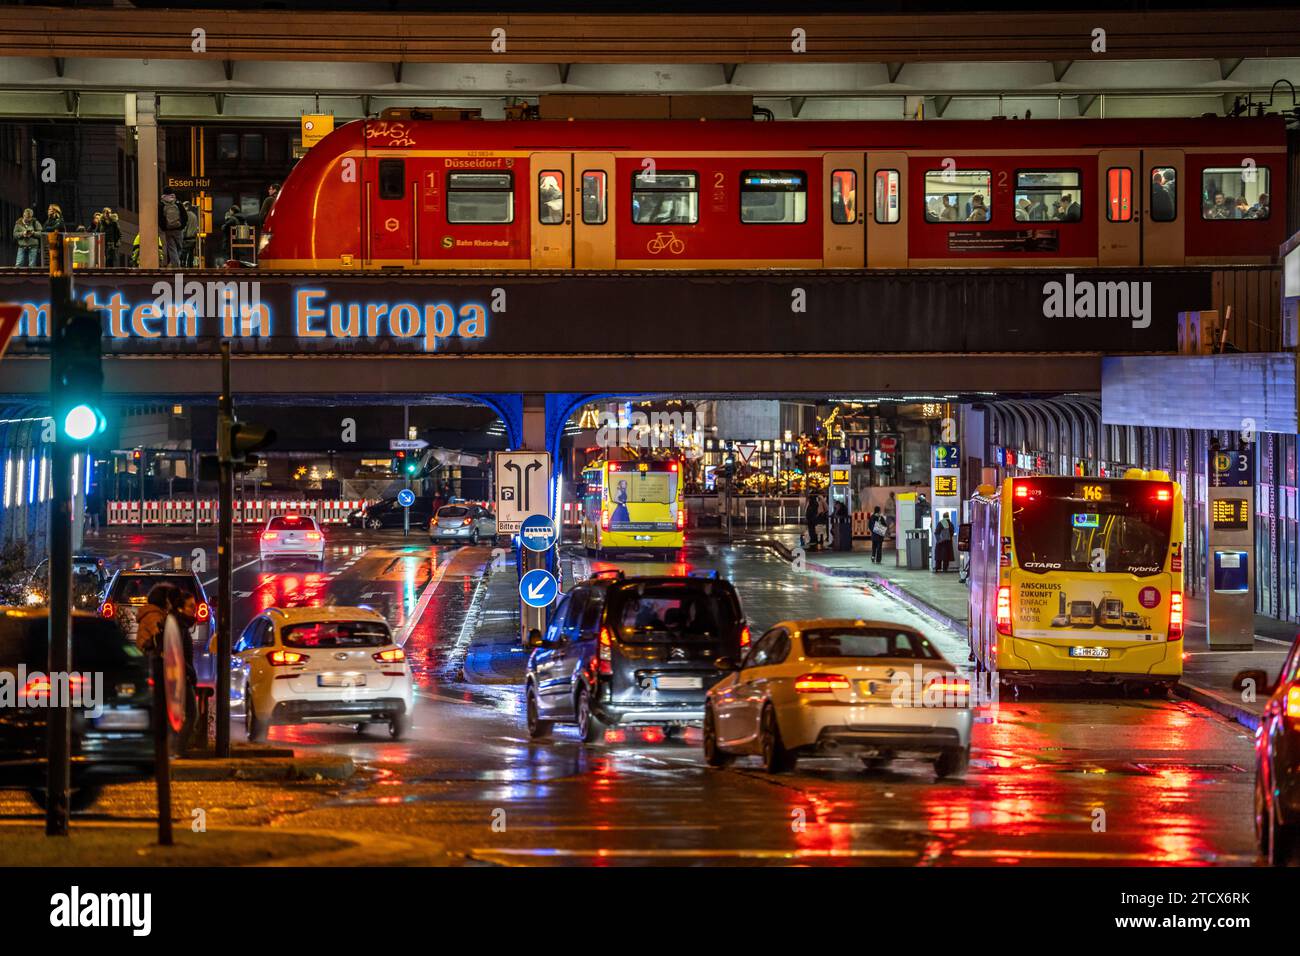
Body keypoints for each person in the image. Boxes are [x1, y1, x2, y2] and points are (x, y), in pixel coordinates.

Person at [164, 586, 201, 748]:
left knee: (179, 715)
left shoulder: (180, 624)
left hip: (182, 676)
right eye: (191, 606)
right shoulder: (178, 626)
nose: (194, 610)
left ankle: (175, 748)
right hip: (181, 677)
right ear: (181, 607)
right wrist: (190, 673)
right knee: (192, 714)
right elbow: (176, 654)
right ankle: (178, 749)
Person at [132, 583, 172, 654]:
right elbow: (160, 640)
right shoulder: (154, 616)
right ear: (164, 600)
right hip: (148, 659)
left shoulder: (156, 613)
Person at [159, 192, 186, 266]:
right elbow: (184, 216)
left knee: (171, 248)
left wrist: (164, 228)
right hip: (178, 230)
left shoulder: (162, 205)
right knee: (179, 248)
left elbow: (160, 218)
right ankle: (176, 264)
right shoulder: (178, 203)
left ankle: (175, 264)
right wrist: (182, 226)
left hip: (168, 230)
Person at [182, 200, 200, 266]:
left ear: (186, 207)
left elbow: (185, 228)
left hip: (186, 239)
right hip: (193, 239)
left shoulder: (186, 215)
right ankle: (190, 269)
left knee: (183, 257)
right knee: (191, 255)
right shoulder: (194, 215)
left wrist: (181, 237)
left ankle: (182, 272)